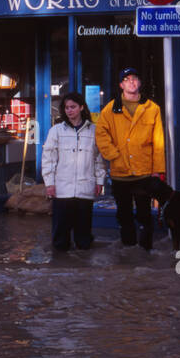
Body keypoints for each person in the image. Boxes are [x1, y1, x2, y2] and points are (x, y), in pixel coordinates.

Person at [95, 67, 165, 250]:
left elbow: (158, 141)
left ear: (140, 83)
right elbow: (101, 133)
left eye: (135, 79)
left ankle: (145, 250)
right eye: (127, 79)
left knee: (144, 214)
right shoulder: (111, 109)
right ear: (121, 85)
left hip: (144, 172)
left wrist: (157, 170)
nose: (131, 82)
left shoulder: (152, 108)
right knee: (124, 214)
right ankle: (128, 252)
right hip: (121, 172)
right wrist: (113, 155)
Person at [42, 91, 105, 251]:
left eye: (73, 107)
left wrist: (99, 181)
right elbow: (48, 159)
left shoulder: (94, 131)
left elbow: (98, 159)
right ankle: (60, 269)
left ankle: (83, 271)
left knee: (84, 240)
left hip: (85, 189)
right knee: (60, 240)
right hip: (63, 190)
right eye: (66, 107)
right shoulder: (56, 131)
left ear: (82, 107)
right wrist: (49, 184)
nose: (69, 110)